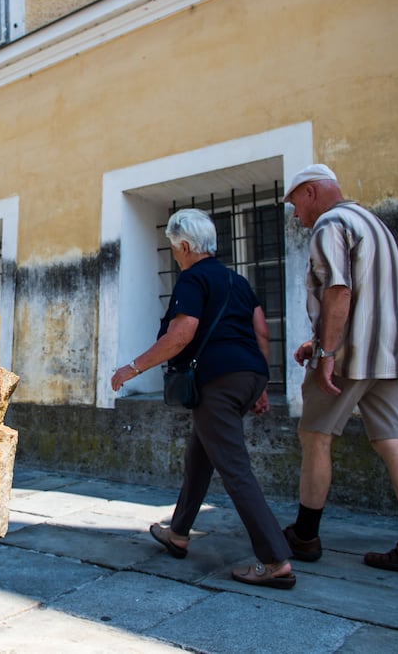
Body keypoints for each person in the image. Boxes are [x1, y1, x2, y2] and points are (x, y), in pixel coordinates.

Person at [111, 208, 295, 589]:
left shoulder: (193, 279)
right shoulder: (236, 280)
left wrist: (133, 368)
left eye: (174, 249)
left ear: (184, 245)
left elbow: (182, 334)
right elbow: (260, 331)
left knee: (234, 467)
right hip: (249, 374)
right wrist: (259, 386)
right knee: (201, 454)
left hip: (218, 382)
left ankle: (274, 559)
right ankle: (178, 532)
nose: (175, 256)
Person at [282, 164, 398, 577]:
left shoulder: (329, 225)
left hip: (348, 358)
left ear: (312, 192)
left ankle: (304, 534)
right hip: (385, 356)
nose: (295, 214)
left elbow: (339, 291)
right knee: (395, 444)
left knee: (314, 437)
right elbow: (366, 295)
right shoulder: (376, 225)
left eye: (295, 202)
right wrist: (318, 341)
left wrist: (327, 353)